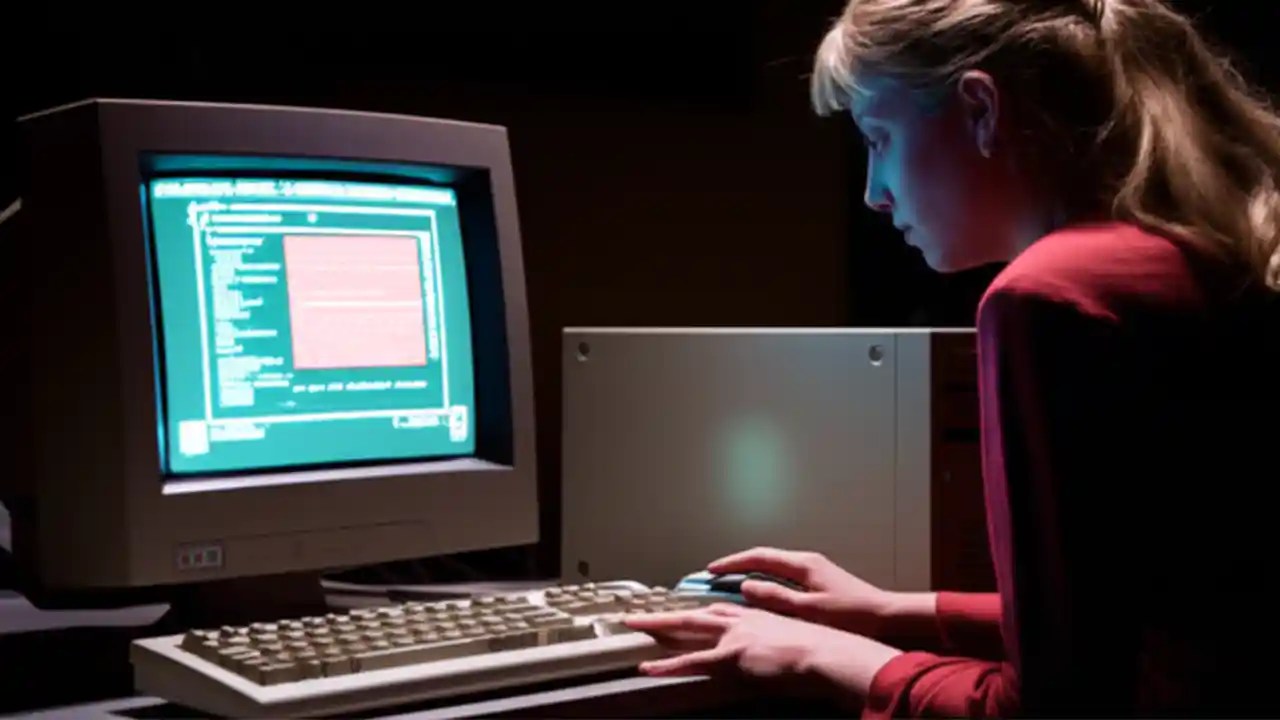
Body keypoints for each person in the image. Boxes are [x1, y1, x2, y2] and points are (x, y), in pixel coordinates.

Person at [625, 0, 1280, 716]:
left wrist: (820, 653)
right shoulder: (1210, 259)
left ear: (980, 110)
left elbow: (1049, 706)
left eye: (878, 138)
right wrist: (891, 612)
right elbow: (1160, 617)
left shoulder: (1052, 293)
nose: (874, 194)